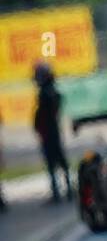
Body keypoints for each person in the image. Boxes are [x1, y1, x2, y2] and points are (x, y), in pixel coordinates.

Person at [33, 62, 72, 203]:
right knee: (56, 161)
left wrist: (40, 125)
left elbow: (46, 113)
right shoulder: (48, 91)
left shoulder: (48, 93)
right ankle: (62, 190)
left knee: (55, 161)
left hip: (50, 131)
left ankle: (62, 191)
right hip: (50, 130)